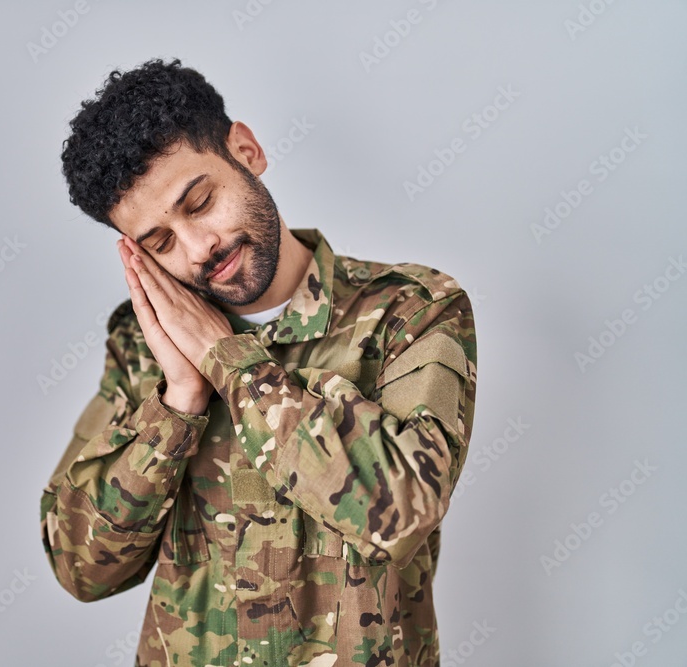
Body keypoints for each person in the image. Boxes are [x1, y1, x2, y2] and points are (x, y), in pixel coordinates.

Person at [40, 57, 478, 667]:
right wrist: (178, 404)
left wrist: (230, 363)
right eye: (160, 242)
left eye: (199, 202)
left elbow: (402, 513)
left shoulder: (410, 310)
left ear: (245, 150)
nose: (198, 249)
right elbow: (80, 568)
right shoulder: (143, 345)